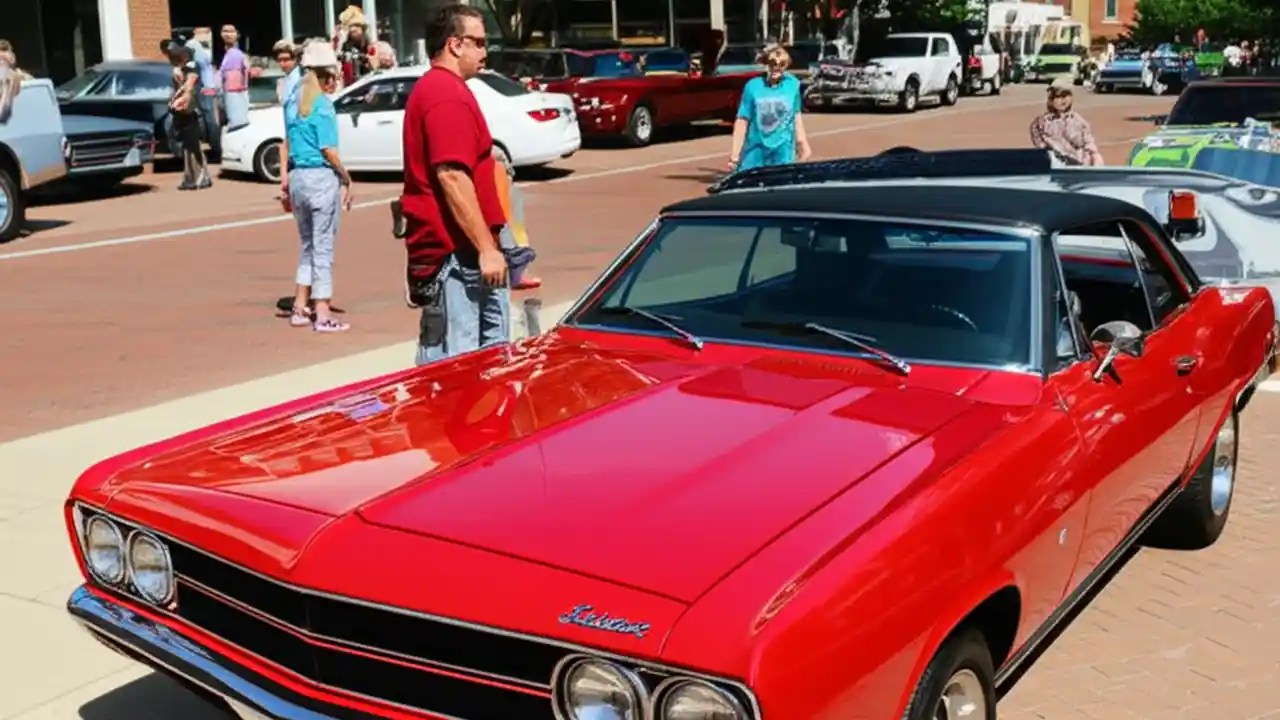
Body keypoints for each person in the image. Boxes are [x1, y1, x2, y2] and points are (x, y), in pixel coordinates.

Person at [401, 3, 510, 365]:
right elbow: (451, 175)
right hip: (456, 256)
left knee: (485, 366)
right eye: (478, 42)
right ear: (454, 44)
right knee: (455, 371)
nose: (485, 50)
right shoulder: (443, 94)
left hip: (465, 253)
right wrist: (486, 248)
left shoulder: (445, 90)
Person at [284, 41, 354, 333]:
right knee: (323, 245)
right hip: (321, 178)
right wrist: (347, 178)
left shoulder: (292, 102)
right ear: (326, 75)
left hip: (299, 176)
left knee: (308, 245)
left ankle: (300, 305)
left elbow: (286, 143)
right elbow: (329, 150)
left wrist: (285, 181)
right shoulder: (323, 106)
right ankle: (322, 310)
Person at [728, 45, 812, 172]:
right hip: (755, 151)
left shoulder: (792, 85)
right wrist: (735, 155)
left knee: (780, 187)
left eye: (782, 64)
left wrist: (802, 143)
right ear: (767, 64)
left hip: (783, 151)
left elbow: (796, 116)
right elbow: (742, 120)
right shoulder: (752, 86)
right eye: (772, 63)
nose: (776, 67)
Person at [166, 39, 213, 190]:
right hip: (183, 113)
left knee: (194, 146)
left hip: (191, 112)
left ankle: (202, 178)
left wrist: (180, 82)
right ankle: (190, 178)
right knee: (188, 147)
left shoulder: (191, 67)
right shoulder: (179, 69)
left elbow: (189, 86)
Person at [1029, 79, 1103, 167]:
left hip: (1079, 162)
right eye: (1058, 96)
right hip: (1055, 162)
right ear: (1051, 100)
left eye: (1066, 96)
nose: (1063, 100)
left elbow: (1088, 141)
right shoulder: (1041, 122)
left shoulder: (1078, 120)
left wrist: (1093, 155)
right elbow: (1039, 143)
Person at [219, 25, 250, 130]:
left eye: (231, 31)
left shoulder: (236, 54)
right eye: (225, 31)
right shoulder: (228, 53)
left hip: (235, 99)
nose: (227, 34)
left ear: (237, 34)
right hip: (229, 98)